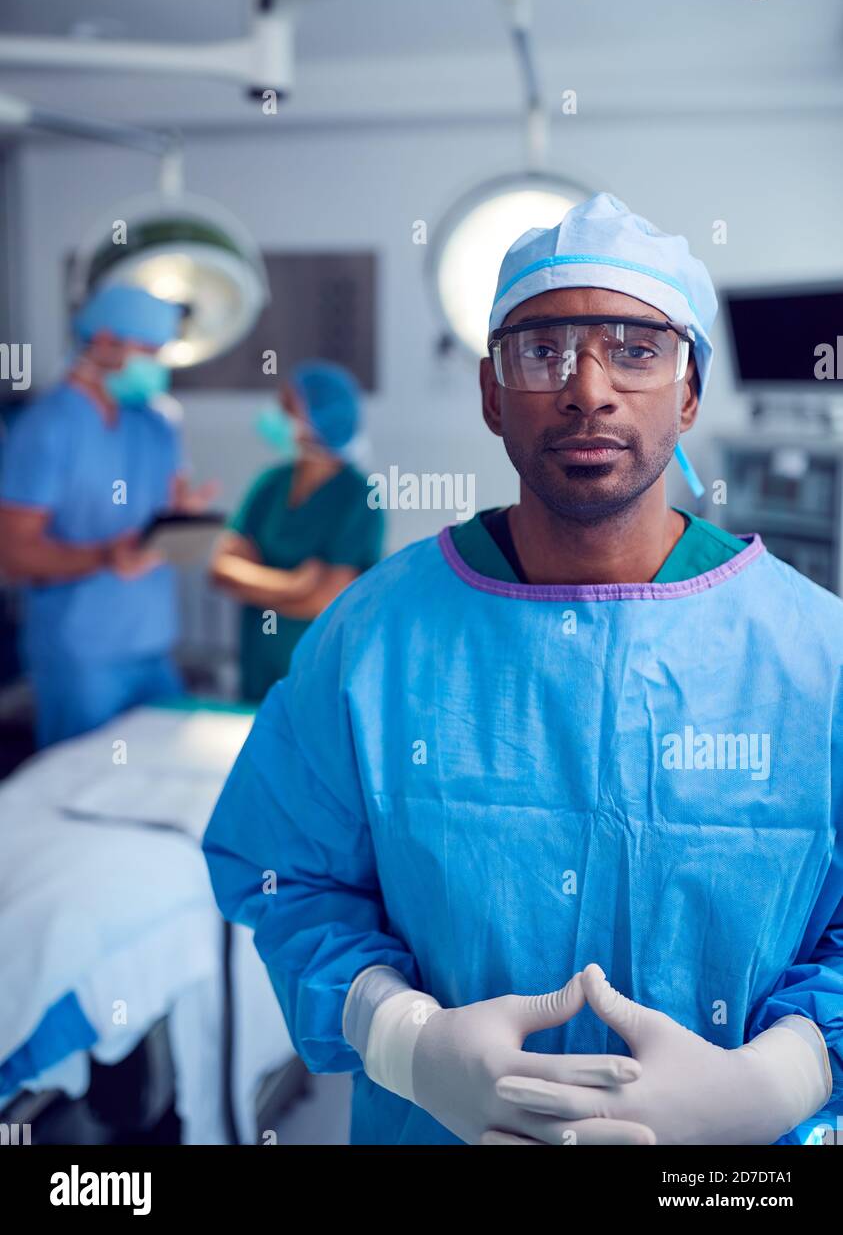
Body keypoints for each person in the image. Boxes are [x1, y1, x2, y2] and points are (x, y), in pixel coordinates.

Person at [202, 194, 842, 1146]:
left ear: (691, 391)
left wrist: (781, 1078)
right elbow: (283, 878)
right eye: (543, 350)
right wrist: (403, 1039)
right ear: (492, 393)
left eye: (635, 348)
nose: (588, 387)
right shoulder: (371, 638)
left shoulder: (814, 654)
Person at [0, 284, 217, 747]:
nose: (156, 365)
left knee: (160, 775)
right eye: (148, 350)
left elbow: (165, 503)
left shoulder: (155, 423)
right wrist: (104, 558)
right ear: (102, 341)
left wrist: (181, 519)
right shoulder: (47, 428)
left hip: (154, 645)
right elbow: (13, 554)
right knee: (82, 792)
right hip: (82, 652)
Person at [209, 361, 384, 702]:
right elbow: (219, 570)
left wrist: (252, 580)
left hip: (318, 670)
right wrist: (293, 584)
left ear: (319, 420)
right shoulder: (271, 484)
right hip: (257, 664)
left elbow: (324, 600)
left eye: (287, 406)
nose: (276, 414)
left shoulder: (357, 497)